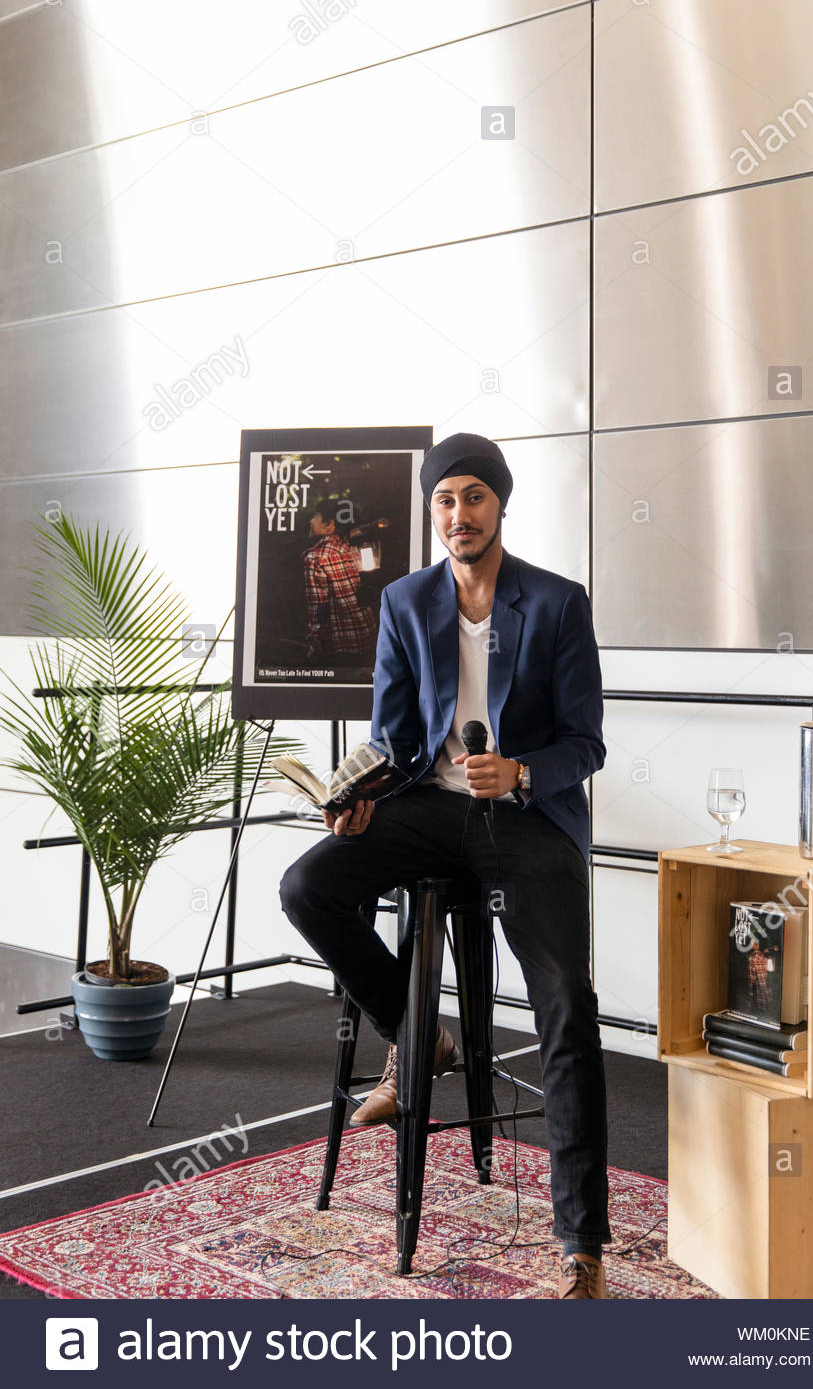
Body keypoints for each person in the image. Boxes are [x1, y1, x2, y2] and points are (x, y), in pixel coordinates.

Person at [280, 433, 610, 1299]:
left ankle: (582, 1243)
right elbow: (393, 736)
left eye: (472, 497)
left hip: (527, 817)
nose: (458, 515)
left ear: (500, 503)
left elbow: (588, 741)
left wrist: (524, 770)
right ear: (431, 511)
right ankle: (420, 1037)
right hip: (426, 808)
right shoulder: (403, 600)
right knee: (308, 887)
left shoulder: (559, 603)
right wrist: (357, 795)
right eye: (444, 500)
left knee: (566, 1005)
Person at [302, 498, 377, 665]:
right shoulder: (349, 548)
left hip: (342, 643)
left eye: (315, 516)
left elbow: (318, 607)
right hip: (368, 630)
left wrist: (314, 641)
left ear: (328, 525)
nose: (310, 520)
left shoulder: (314, 558)